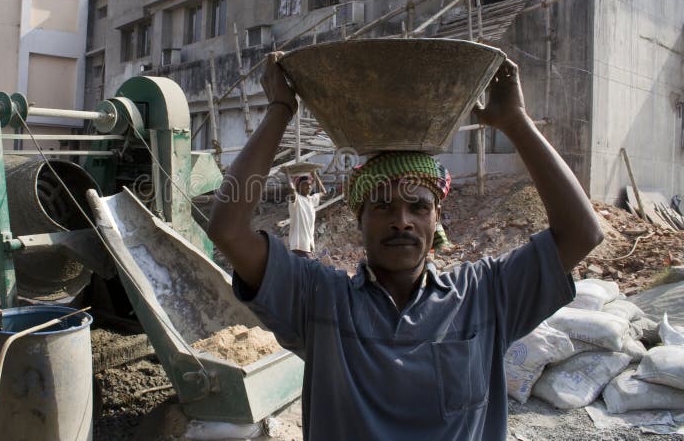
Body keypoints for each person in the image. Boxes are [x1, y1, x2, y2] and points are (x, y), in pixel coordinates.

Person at [207, 52, 603, 440]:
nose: (401, 220)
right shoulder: (319, 300)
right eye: (382, 206)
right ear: (359, 221)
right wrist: (279, 110)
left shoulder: (484, 295)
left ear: (437, 218)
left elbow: (582, 233)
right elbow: (228, 230)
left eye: (418, 207)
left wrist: (516, 121)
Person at [286, 172, 326, 258]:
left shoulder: (311, 200)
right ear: (298, 187)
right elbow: (292, 190)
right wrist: (287, 174)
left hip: (308, 245)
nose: (309, 187)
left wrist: (314, 173)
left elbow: (323, 192)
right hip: (298, 246)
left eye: (310, 184)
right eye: (305, 184)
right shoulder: (296, 200)